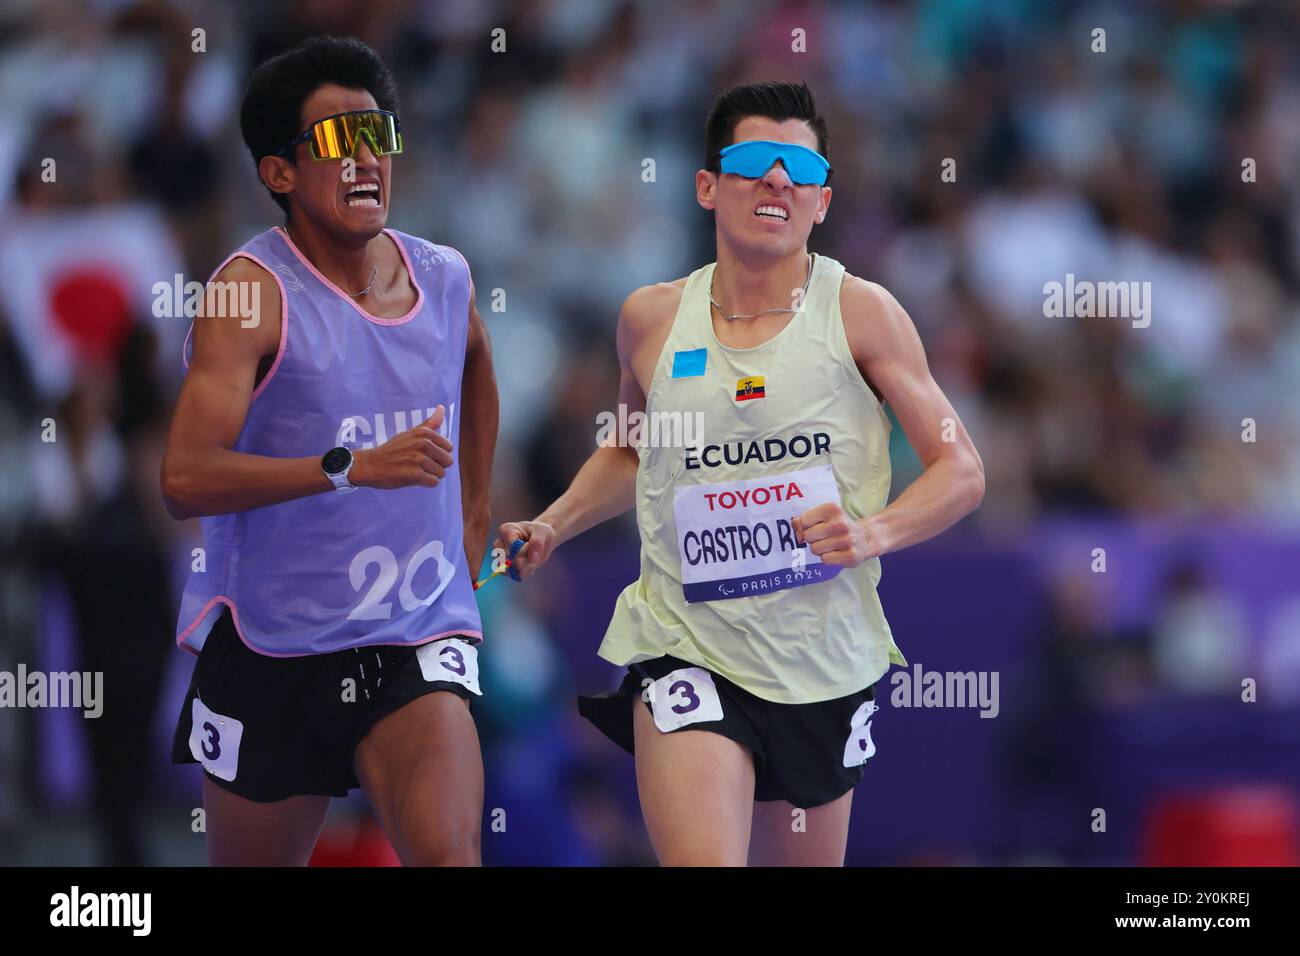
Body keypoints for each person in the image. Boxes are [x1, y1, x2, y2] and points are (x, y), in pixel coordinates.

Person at [497, 81, 984, 866]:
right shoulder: (650, 319)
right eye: (756, 160)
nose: (778, 181)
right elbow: (630, 448)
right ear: (707, 186)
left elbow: (960, 468)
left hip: (820, 659)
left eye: (799, 167)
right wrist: (553, 522)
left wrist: (871, 532)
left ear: (822, 201)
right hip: (687, 643)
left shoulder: (864, 314)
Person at [160, 36, 498, 866]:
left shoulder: (444, 275)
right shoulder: (249, 294)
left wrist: (476, 513)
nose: (367, 161)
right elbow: (183, 478)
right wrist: (348, 468)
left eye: (379, 136)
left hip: (410, 635)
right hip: (277, 644)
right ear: (278, 173)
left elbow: (479, 368)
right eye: (340, 143)